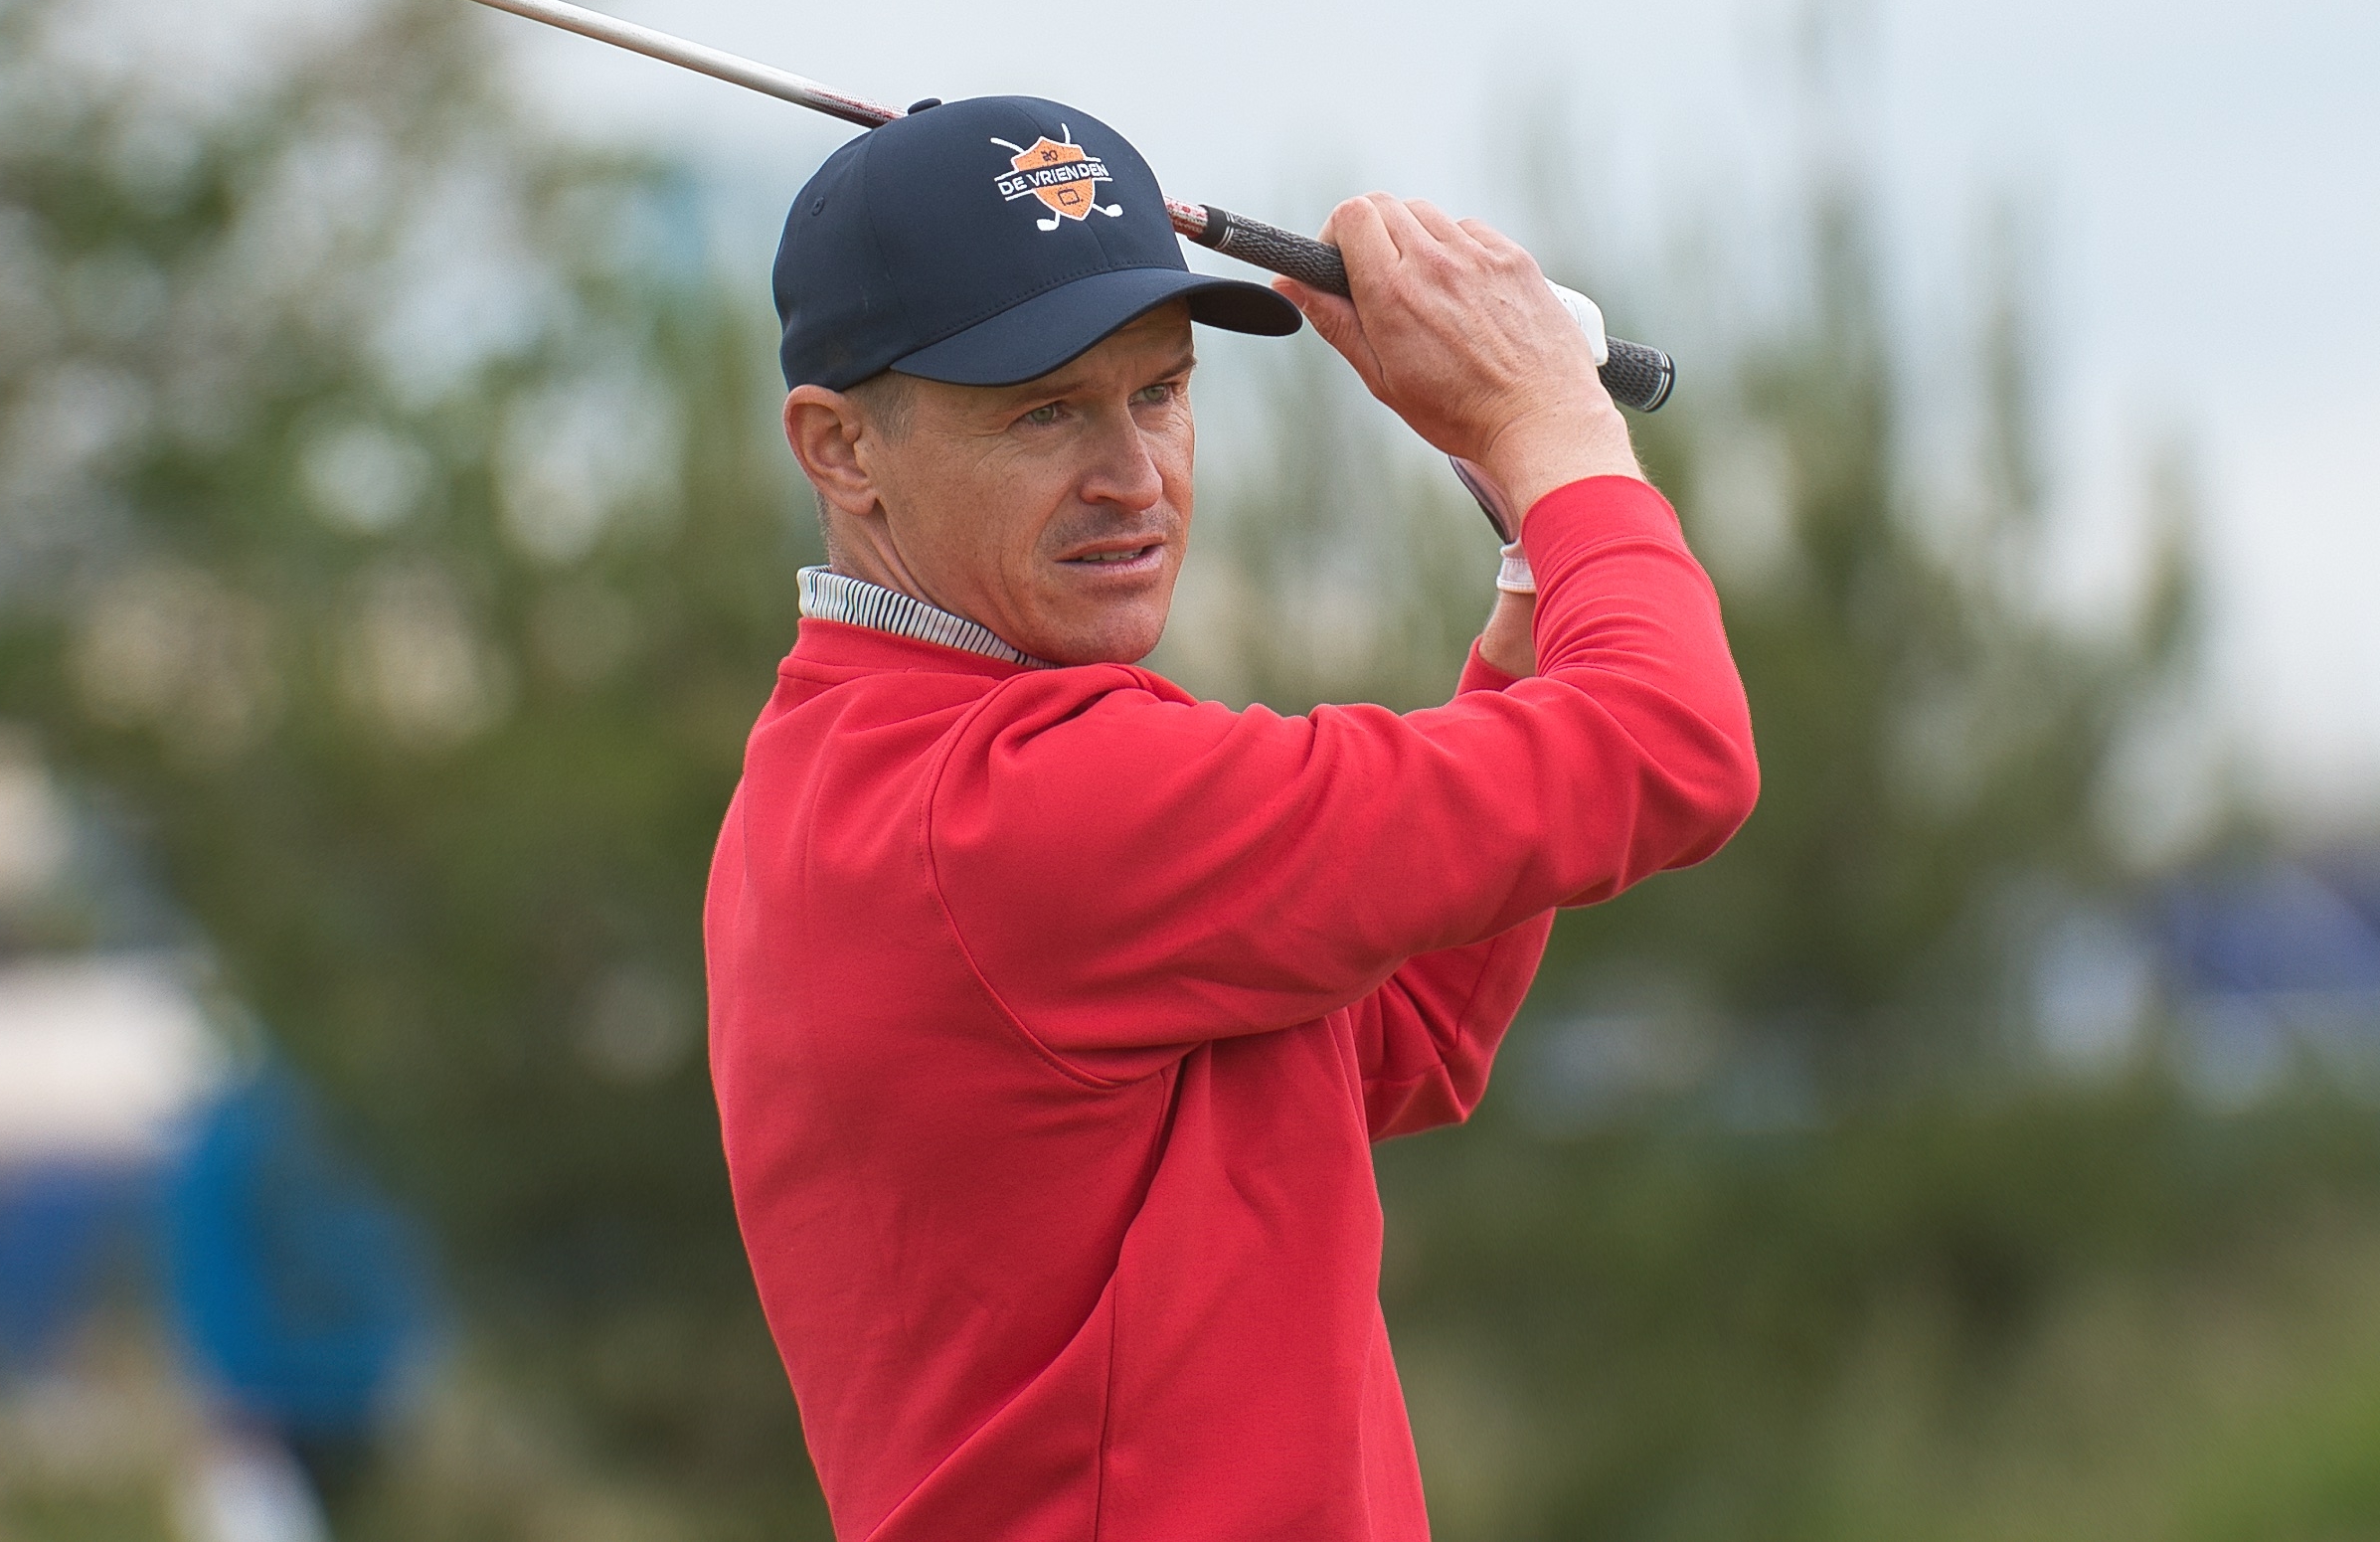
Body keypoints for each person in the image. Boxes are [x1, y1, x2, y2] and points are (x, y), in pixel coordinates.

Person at [706, 94, 1757, 1540]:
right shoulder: (1028, 797)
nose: (1133, 476)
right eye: (1044, 410)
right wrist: (1552, 428)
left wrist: (1532, 556)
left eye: (1160, 392)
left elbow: (1397, 1037)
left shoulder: (842, 756)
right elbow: (1674, 744)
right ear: (840, 450)